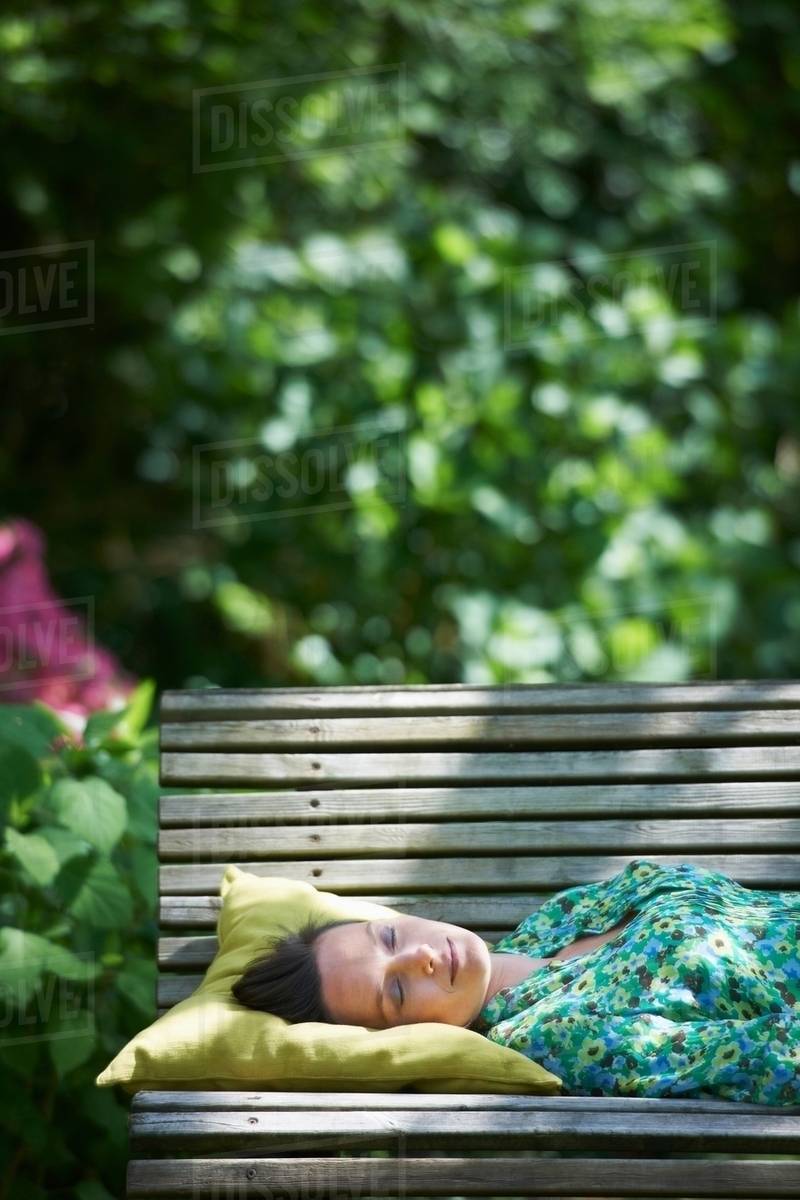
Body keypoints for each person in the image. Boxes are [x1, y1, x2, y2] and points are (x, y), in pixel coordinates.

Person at [231, 858, 800, 1106]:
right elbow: (767, 1059)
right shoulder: (554, 1039)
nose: (420, 957)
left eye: (389, 937)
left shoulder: (549, 924)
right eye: (397, 992)